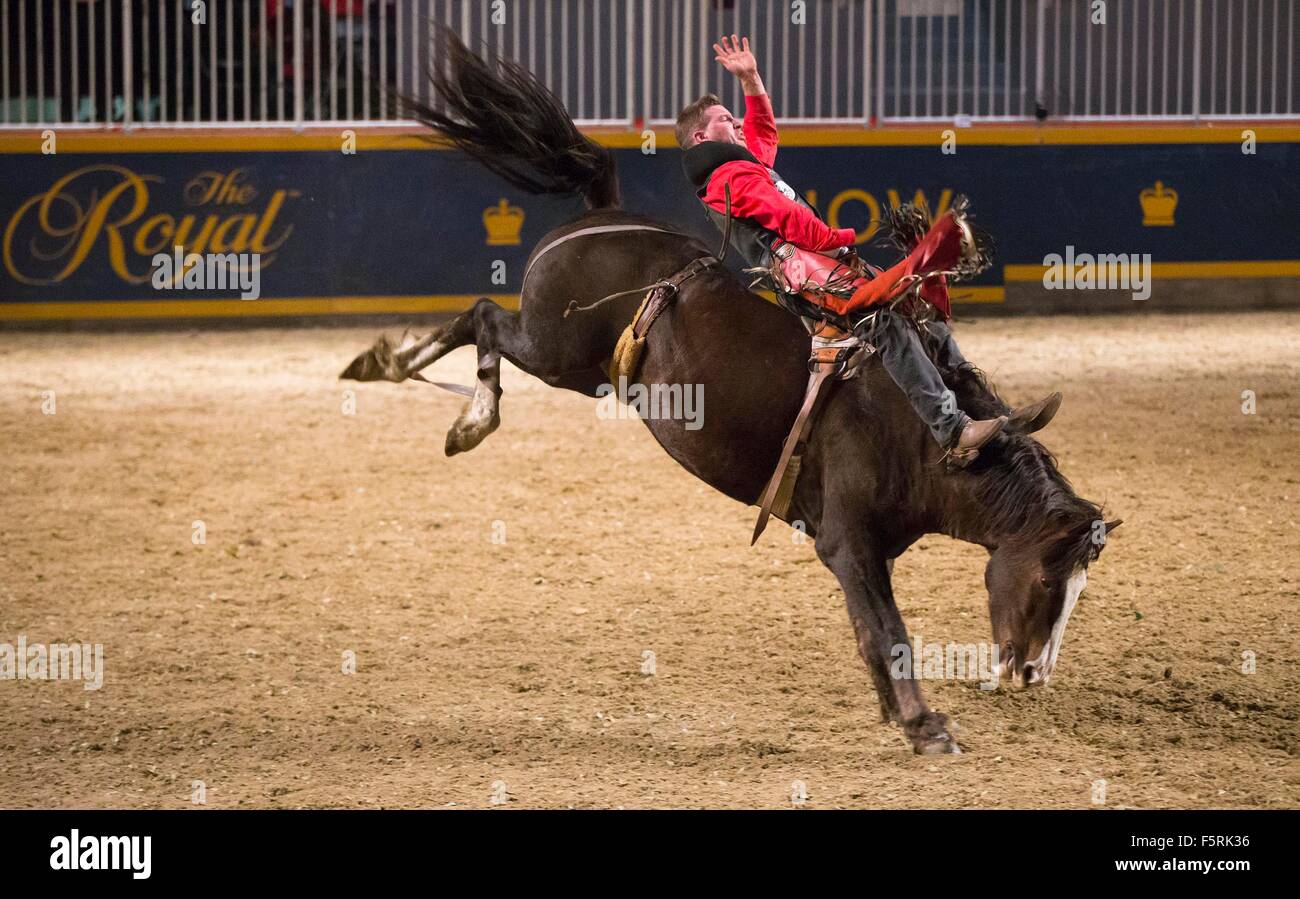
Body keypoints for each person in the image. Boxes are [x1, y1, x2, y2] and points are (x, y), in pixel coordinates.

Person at [677, 36, 1059, 464]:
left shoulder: (740, 166)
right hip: (805, 277)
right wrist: (837, 239)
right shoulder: (729, 177)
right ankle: (952, 432)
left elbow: (764, 131)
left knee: (921, 315)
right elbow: (788, 220)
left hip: (819, 269)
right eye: (727, 119)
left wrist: (750, 78)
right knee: (888, 325)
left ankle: (990, 414)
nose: (738, 124)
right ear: (701, 135)